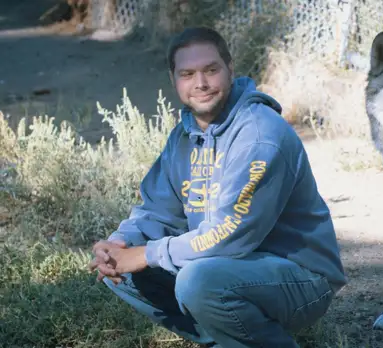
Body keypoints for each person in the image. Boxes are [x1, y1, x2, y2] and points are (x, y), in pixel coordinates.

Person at [88, 26, 347, 348]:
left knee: (199, 281)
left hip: (300, 277)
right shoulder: (183, 137)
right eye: (188, 73)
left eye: (211, 70)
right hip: (229, 269)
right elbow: (157, 210)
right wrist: (121, 243)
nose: (201, 83)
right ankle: (232, 341)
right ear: (174, 79)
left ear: (230, 70)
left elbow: (229, 235)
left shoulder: (260, 135)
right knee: (124, 269)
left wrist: (149, 253)